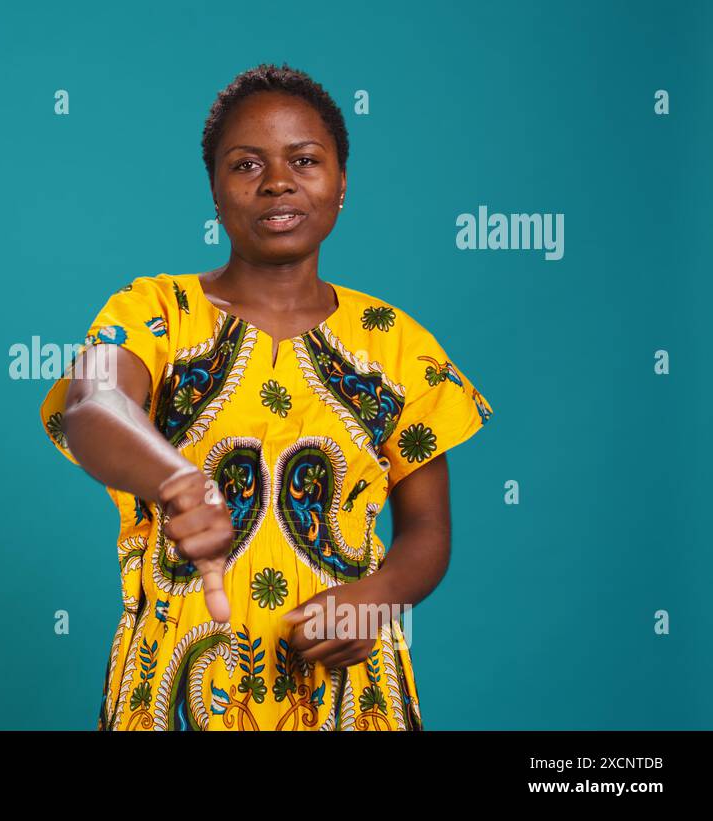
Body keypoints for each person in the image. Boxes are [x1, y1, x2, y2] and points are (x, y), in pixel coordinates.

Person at [39, 63, 495, 731]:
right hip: (173, 689)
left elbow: (427, 529)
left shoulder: (398, 345)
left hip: (350, 697)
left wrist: (377, 597)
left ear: (342, 183)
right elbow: (91, 406)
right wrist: (176, 481)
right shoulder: (155, 310)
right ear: (215, 192)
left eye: (304, 160)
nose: (277, 181)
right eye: (246, 165)